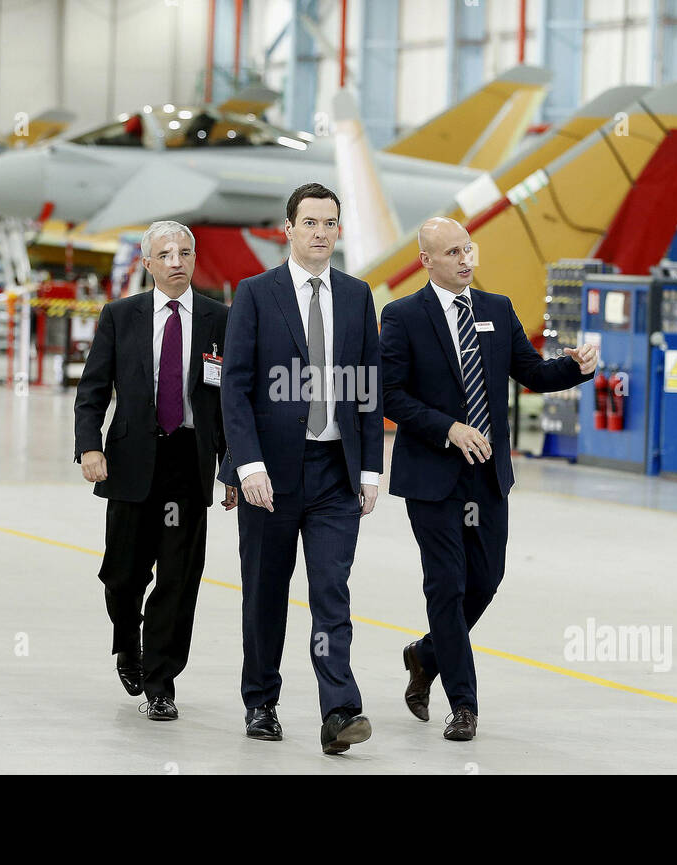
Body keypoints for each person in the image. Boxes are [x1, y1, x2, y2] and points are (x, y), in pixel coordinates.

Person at [380, 216, 597, 741]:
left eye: (468, 250)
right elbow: (390, 395)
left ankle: (426, 654)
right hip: (431, 476)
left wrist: (575, 368)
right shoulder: (403, 316)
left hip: (486, 477)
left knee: (486, 580)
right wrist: (448, 428)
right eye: (452, 253)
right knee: (447, 586)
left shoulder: (496, 309)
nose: (465, 261)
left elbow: (533, 372)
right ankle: (464, 703)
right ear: (427, 260)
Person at [218, 182, 384, 755]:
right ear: (288, 229)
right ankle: (261, 701)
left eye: (330, 223)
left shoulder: (358, 295)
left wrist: (370, 469)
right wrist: (247, 465)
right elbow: (234, 389)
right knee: (266, 592)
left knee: (331, 591)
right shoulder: (256, 294)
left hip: (337, 472)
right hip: (271, 475)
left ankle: (340, 710)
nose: (320, 233)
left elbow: (368, 387)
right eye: (309, 222)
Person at [73, 220, 233, 720]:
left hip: (188, 461)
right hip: (131, 461)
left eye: (185, 252)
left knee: (179, 577)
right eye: (165, 254)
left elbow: (232, 400)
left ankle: (161, 680)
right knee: (122, 575)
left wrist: (232, 463)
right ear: (148, 264)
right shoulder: (121, 316)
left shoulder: (218, 319)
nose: (177, 262)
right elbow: (93, 389)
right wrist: (89, 448)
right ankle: (128, 642)